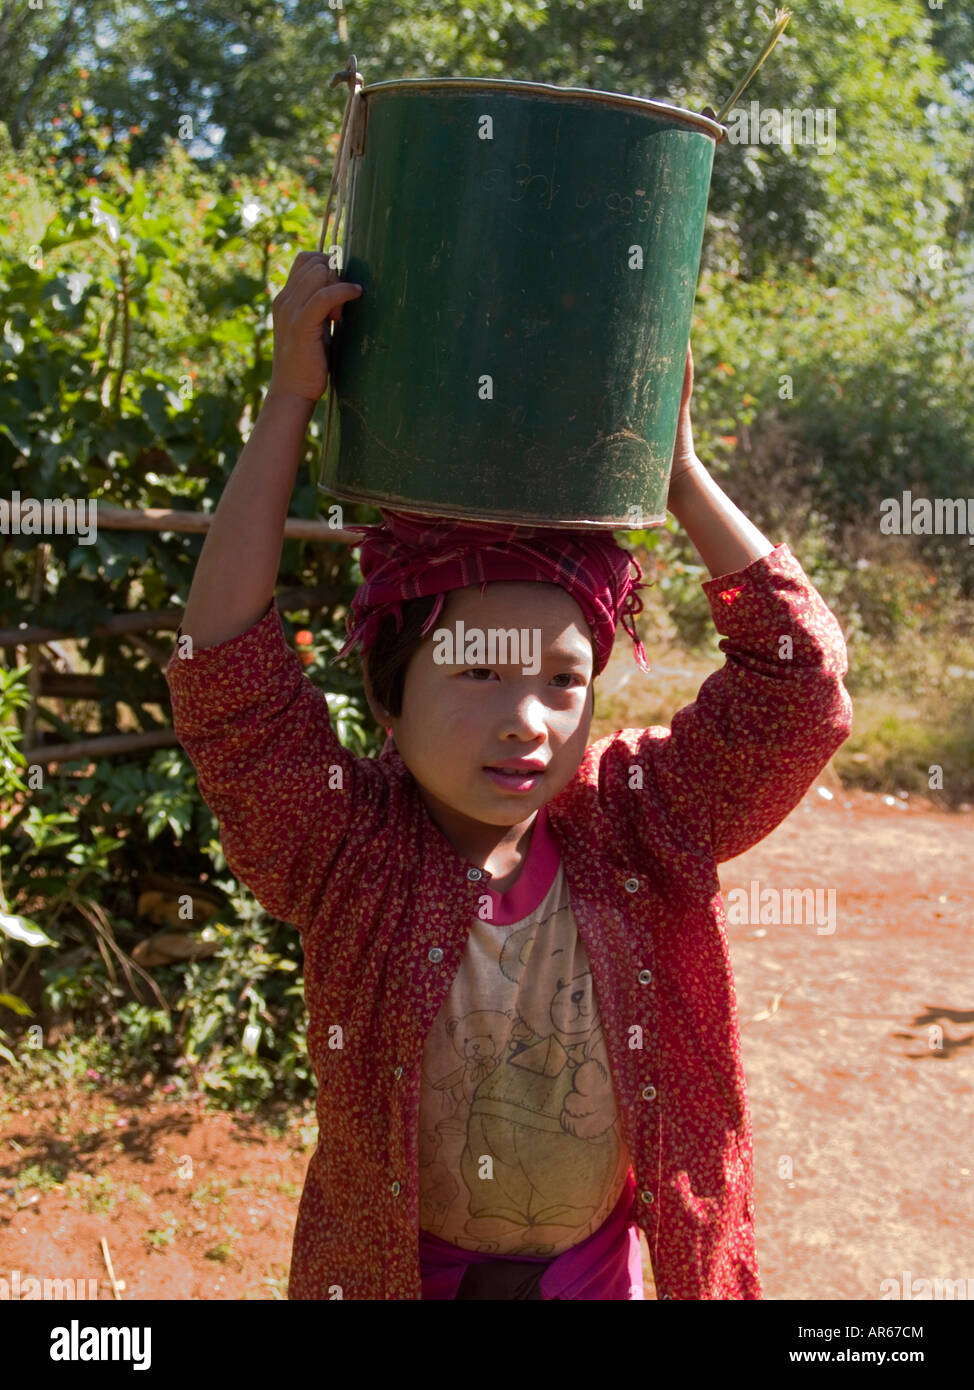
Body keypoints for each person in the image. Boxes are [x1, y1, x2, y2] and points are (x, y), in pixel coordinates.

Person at [165, 251, 853, 1300]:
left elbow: (798, 684)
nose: (525, 720)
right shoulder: (342, 844)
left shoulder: (641, 824)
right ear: (388, 699)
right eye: (475, 672)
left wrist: (673, 473)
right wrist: (288, 404)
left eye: (562, 679)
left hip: (598, 1279)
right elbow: (227, 682)